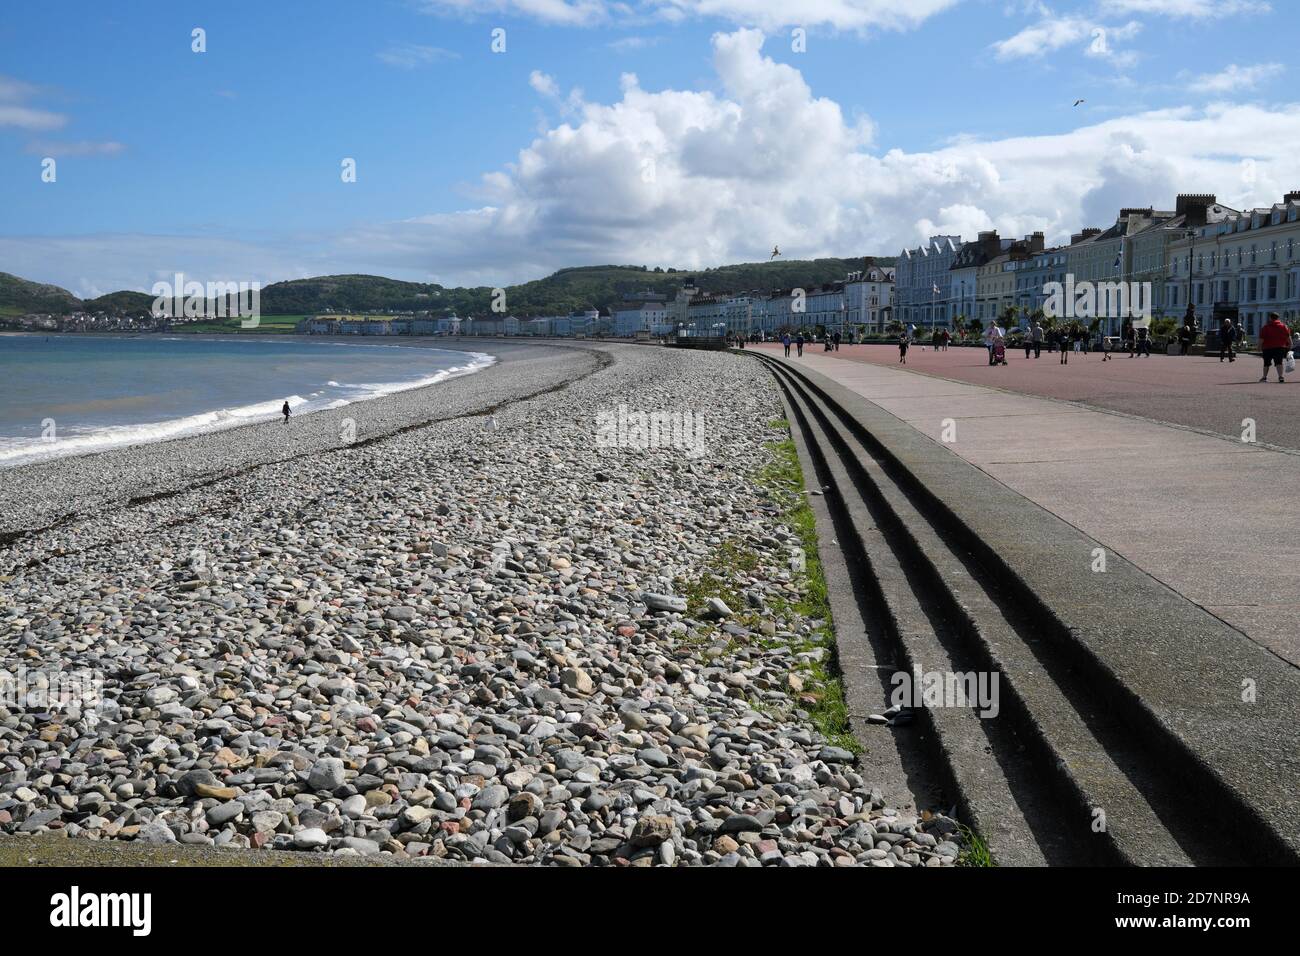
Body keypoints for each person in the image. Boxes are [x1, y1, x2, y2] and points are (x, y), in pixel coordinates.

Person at [1259, 312, 1290, 383]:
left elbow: (1261, 339)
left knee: (1266, 363)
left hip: (1267, 347)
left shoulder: (1266, 327)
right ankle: (1280, 376)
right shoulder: (1284, 326)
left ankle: (1264, 377)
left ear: (1270, 318)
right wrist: (1290, 345)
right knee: (1279, 362)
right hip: (1280, 347)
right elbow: (1288, 337)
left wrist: (1259, 347)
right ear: (1278, 318)